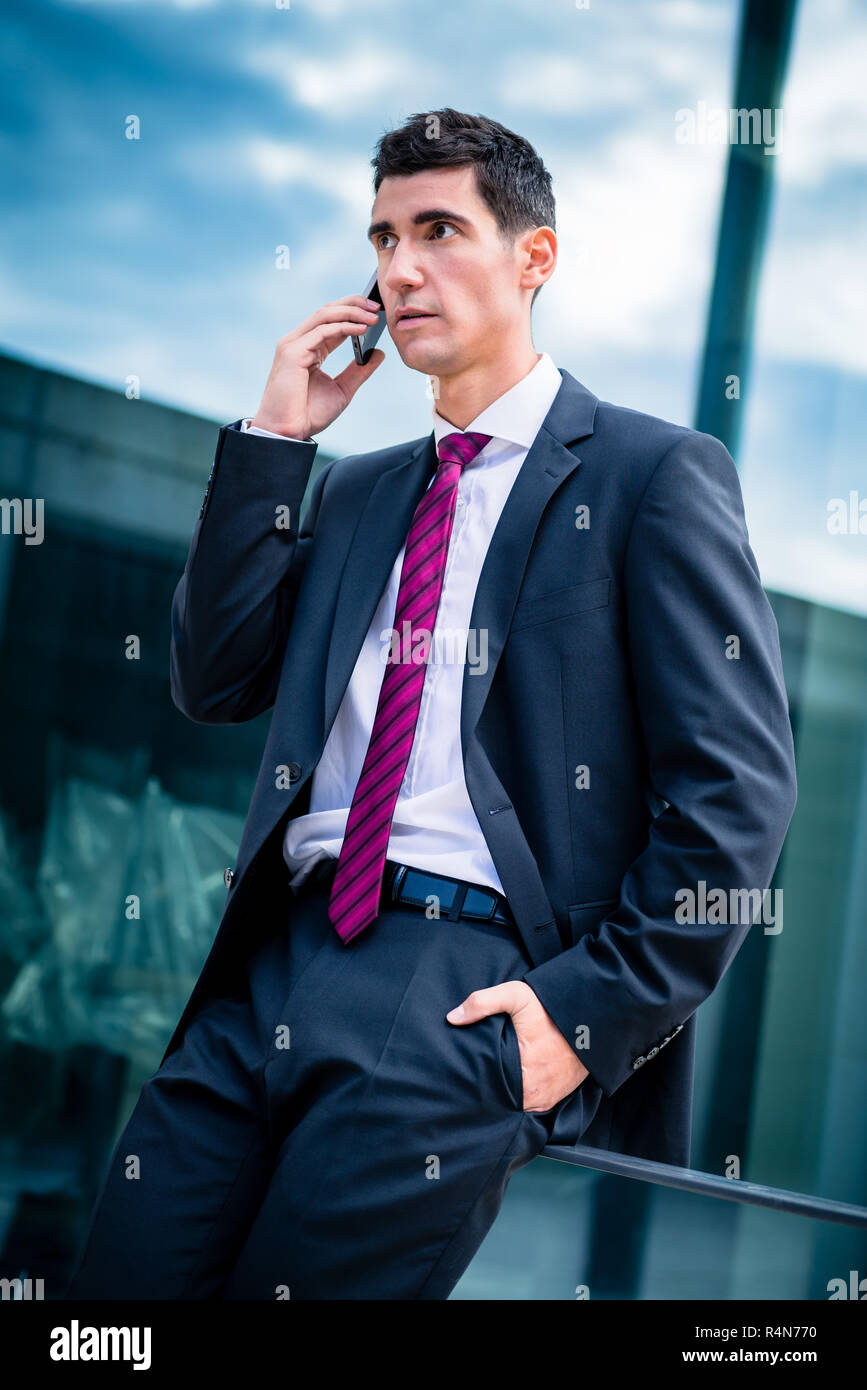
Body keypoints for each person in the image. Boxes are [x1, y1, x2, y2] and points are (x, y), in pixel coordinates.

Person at [64, 107, 797, 1301]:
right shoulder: (356, 494)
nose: (400, 270)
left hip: (459, 990)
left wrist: (576, 1020)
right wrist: (274, 442)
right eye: (384, 237)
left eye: (440, 230)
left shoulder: (649, 476)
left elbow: (736, 794)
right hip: (271, 966)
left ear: (533, 258)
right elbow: (216, 679)